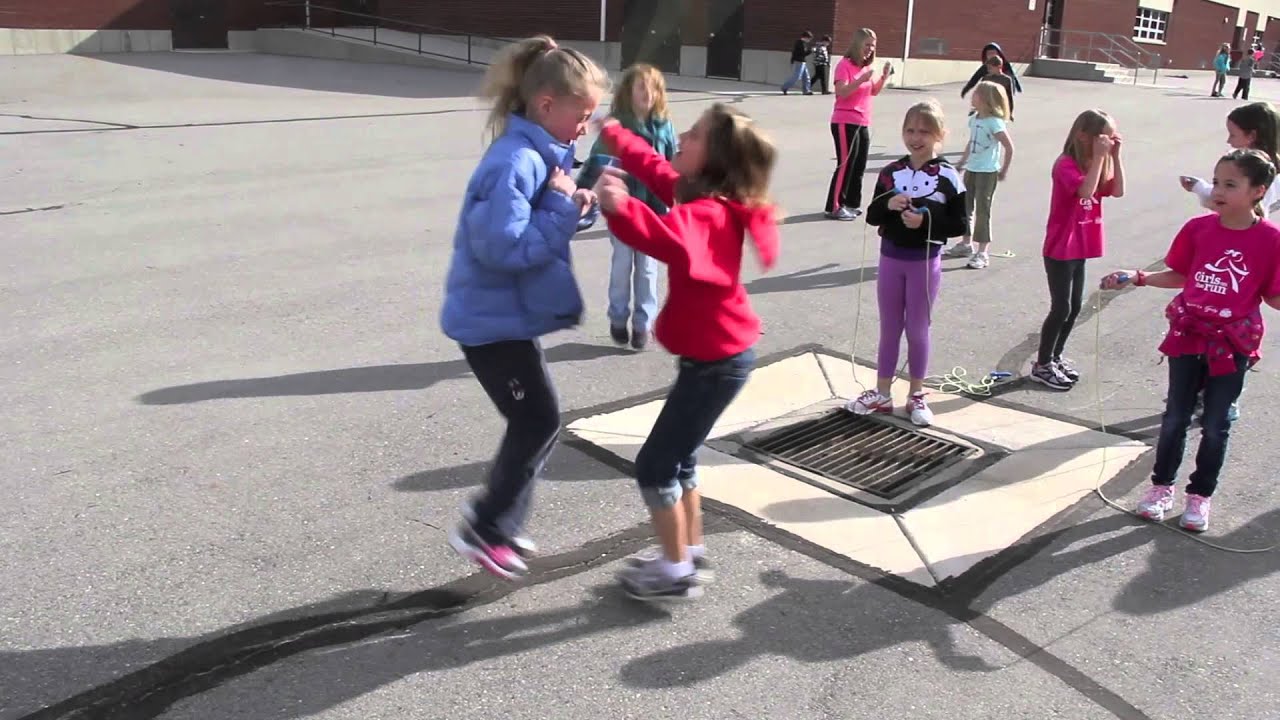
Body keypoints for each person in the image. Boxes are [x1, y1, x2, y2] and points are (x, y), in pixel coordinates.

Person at [592, 103, 779, 600]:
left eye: (693, 135)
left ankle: (675, 571)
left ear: (713, 158)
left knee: (655, 465)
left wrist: (619, 205)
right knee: (682, 461)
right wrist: (616, 134)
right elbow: (656, 168)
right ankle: (688, 552)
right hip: (716, 360)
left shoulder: (707, 213)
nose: (681, 139)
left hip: (715, 365)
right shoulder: (701, 194)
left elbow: (664, 237)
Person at [440, 35, 609, 580]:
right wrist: (562, 204)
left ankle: (500, 524)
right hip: (490, 323)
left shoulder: (541, 155)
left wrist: (578, 203)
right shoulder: (514, 161)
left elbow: (544, 218)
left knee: (537, 421)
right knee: (537, 420)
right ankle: (484, 526)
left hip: (507, 316)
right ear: (545, 104)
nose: (585, 127)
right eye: (581, 115)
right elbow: (506, 248)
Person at [1102, 148, 1280, 532]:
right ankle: (1160, 488)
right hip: (1188, 334)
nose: (1217, 191)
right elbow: (1181, 274)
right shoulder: (1198, 229)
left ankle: (1199, 496)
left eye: (1230, 184)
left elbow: (1273, 296)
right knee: (1175, 417)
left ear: (1258, 191)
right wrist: (1138, 277)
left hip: (1232, 344)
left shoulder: (1271, 240)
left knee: (1216, 423)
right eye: (1216, 182)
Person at [847, 100, 968, 427]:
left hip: (924, 262)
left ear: (940, 134)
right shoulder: (890, 172)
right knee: (889, 328)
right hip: (890, 258)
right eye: (910, 130)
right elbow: (872, 215)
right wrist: (888, 204)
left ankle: (916, 394)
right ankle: (882, 392)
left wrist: (926, 219)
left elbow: (959, 224)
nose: (916, 138)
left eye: (924, 132)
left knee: (917, 329)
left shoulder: (949, 176)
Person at [1179, 101, 1280, 420]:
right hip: (1237, 253)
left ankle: (1226, 394)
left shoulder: (1260, 171)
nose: (1228, 140)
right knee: (1216, 328)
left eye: (1233, 134)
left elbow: (1235, 209)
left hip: (1246, 256)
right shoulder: (1245, 167)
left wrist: (1201, 189)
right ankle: (1206, 389)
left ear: (1251, 136)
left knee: (1236, 330)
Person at [578, 63, 677, 350]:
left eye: (654, 87)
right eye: (641, 87)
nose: (648, 93)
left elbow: (672, 166)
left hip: (654, 212)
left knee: (647, 269)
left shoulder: (664, 125)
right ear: (628, 92)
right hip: (622, 208)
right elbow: (596, 161)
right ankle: (618, 317)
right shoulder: (617, 124)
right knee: (622, 266)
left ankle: (643, 324)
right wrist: (581, 191)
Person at [1029, 109, 1125, 391]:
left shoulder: (1093, 164)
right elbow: (1085, 192)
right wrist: (1100, 158)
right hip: (1061, 247)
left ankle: (1055, 357)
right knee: (1061, 307)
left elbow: (1117, 190)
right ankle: (1042, 364)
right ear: (1084, 136)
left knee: (1074, 308)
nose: (1108, 142)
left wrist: (1115, 157)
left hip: (1080, 246)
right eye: (1104, 137)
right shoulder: (1066, 165)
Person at [825, 28, 893, 221]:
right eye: (867, 44)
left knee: (859, 165)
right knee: (845, 164)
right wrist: (860, 80)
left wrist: (884, 77)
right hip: (844, 121)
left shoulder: (865, 67)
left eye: (873, 45)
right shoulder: (844, 65)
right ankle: (834, 207)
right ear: (857, 44)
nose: (870, 49)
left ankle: (851, 203)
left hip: (862, 122)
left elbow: (873, 91)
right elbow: (842, 92)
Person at [950, 80, 1014, 269]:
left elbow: (1009, 147)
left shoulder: (994, 122)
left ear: (986, 99)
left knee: (982, 211)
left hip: (987, 172)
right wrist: (962, 163)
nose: (973, 96)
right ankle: (966, 243)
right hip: (972, 169)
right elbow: (971, 143)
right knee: (966, 207)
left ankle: (982, 252)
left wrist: (1003, 170)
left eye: (976, 93)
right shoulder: (975, 119)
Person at [781, 30, 814, 95]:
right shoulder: (800, 43)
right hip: (799, 61)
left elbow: (795, 53)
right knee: (797, 76)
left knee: (806, 77)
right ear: (805, 37)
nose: (809, 40)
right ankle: (784, 87)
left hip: (802, 61)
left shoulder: (801, 43)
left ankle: (806, 90)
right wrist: (810, 51)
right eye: (809, 39)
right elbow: (803, 53)